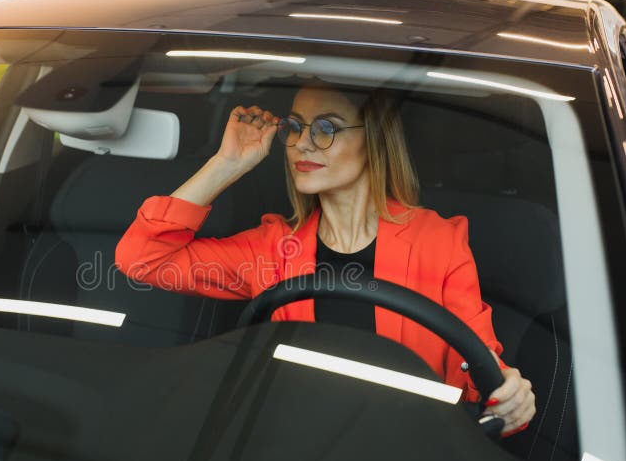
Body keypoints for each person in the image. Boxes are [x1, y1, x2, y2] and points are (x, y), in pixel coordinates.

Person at [115, 81, 535, 436]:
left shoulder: (439, 240)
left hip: (406, 450)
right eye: (295, 128)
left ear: (373, 138)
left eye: (326, 128)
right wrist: (226, 165)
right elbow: (141, 259)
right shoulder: (273, 246)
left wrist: (510, 398)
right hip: (295, 447)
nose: (301, 143)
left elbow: (480, 369)